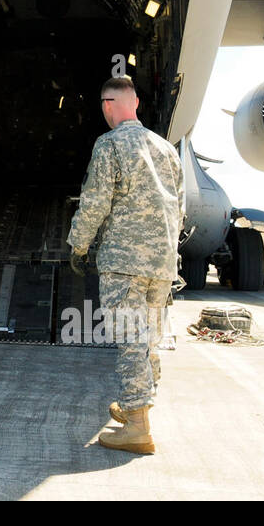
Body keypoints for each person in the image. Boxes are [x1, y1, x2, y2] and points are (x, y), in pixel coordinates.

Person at [67, 77, 184, 455]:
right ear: (135, 103)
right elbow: (179, 208)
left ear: (107, 106)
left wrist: (79, 244)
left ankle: (137, 425)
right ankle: (141, 405)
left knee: (130, 338)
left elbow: (96, 201)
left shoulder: (110, 144)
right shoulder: (166, 148)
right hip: (161, 263)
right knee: (147, 336)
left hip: (125, 260)